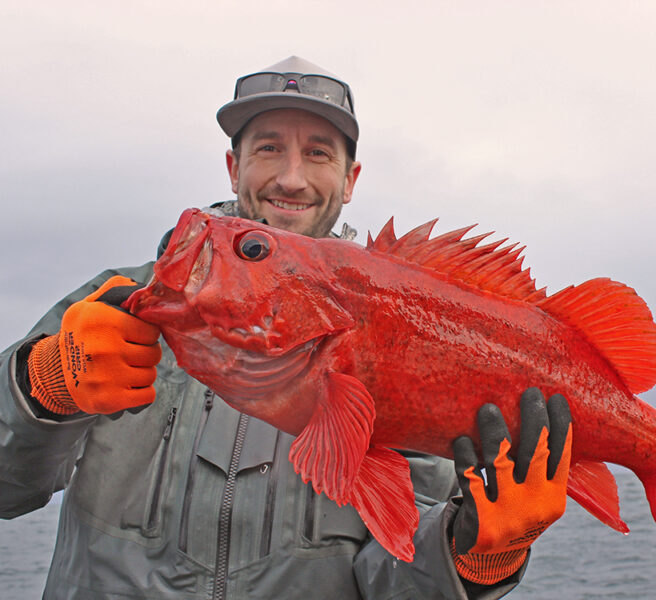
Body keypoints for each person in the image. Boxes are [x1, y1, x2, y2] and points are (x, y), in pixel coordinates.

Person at [0, 56, 572, 599]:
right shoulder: (112, 306)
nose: (292, 177)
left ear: (350, 179)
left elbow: (393, 580)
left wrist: (476, 556)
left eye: (318, 153)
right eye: (269, 147)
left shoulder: (399, 333)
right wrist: (43, 385)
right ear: (234, 165)